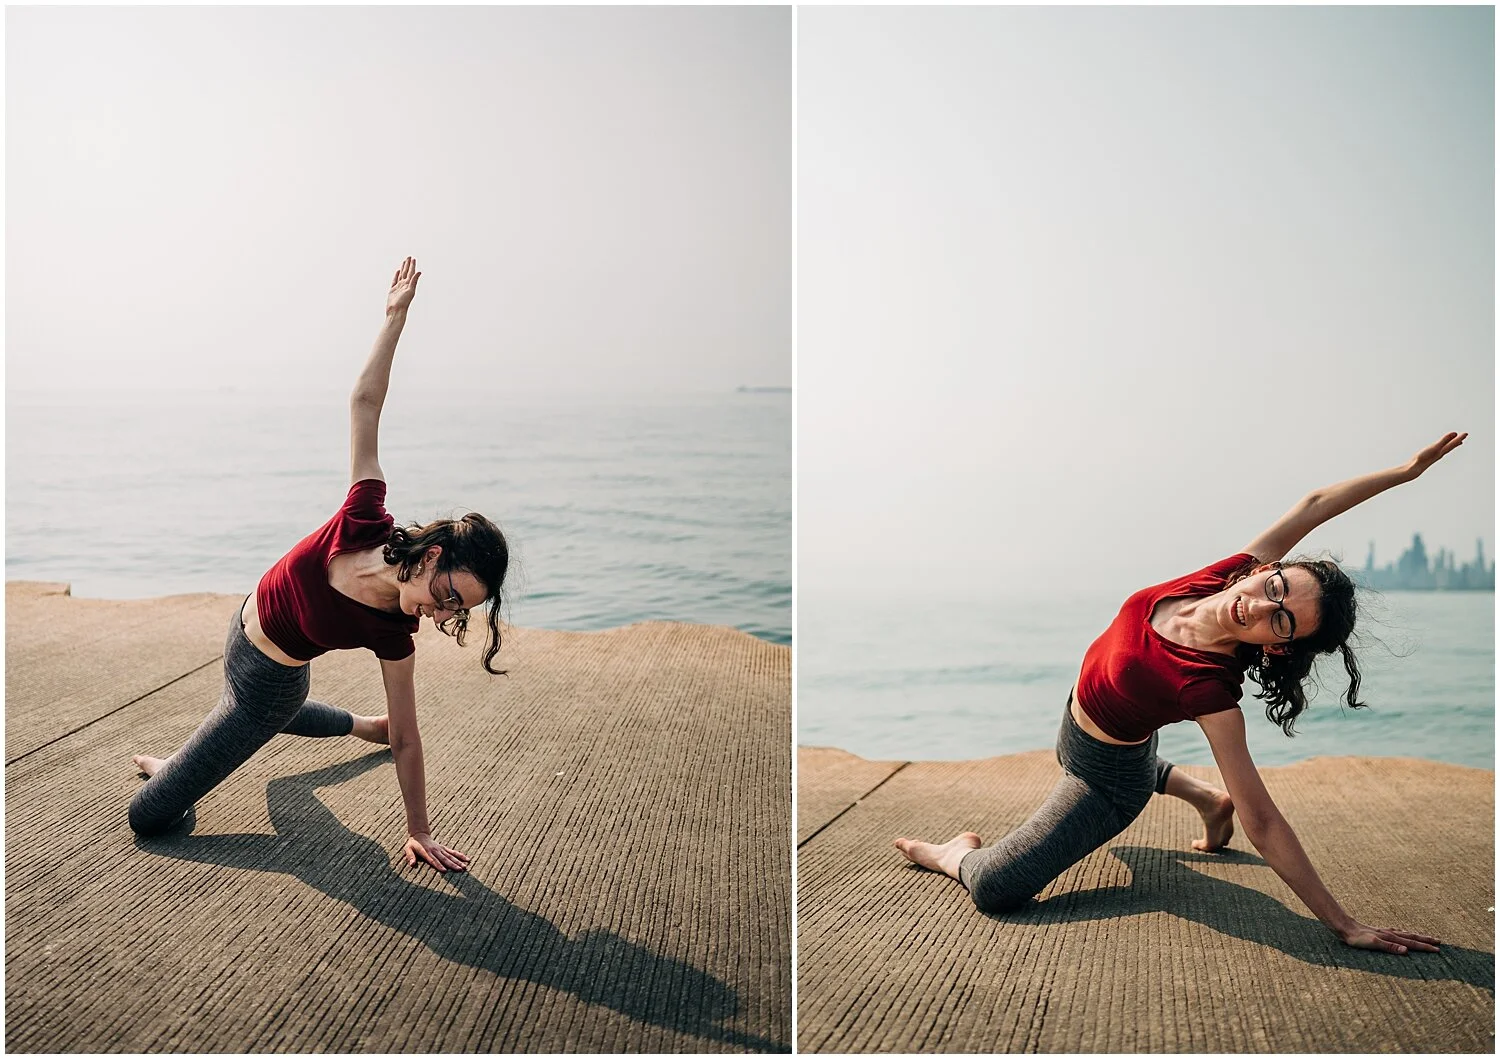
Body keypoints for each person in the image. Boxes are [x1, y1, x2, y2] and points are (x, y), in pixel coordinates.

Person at [894, 433, 1467, 955]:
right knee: (1099, 748)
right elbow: (1316, 505)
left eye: (1283, 621)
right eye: (1276, 588)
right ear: (1266, 570)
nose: (1264, 606)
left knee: (998, 887)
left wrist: (1345, 924)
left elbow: (1263, 820)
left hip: (1108, 780)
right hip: (1077, 724)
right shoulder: (1228, 574)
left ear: (1276, 647)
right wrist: (1405, 471)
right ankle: (1205, 798)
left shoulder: (1209, 688)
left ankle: (952, 852)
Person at [130, 257, 509, 874]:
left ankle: (194, 763)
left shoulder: (393, 633)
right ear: (433, 555)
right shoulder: (366, 516)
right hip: (239, 630)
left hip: (270, 689)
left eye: (458, 611)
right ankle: (360, 727)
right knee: (235, 725)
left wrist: (419, 830)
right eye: (450, 594)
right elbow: (364, 402)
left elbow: (411, 739)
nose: (445, 612)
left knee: (150, 815)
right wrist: (395, 316)